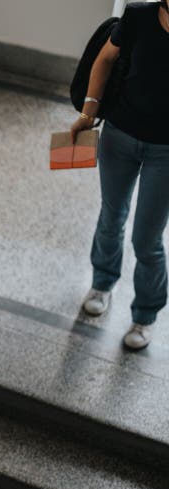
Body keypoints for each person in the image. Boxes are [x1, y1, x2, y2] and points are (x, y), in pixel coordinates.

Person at [72, 0, 169, 349]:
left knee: (147, 238)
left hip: (165, 151)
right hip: (119, 137)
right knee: (112, 215)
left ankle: (145, 315)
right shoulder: (139, 15)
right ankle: (102, 283)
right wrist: (87, 114)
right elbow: (105, 59)